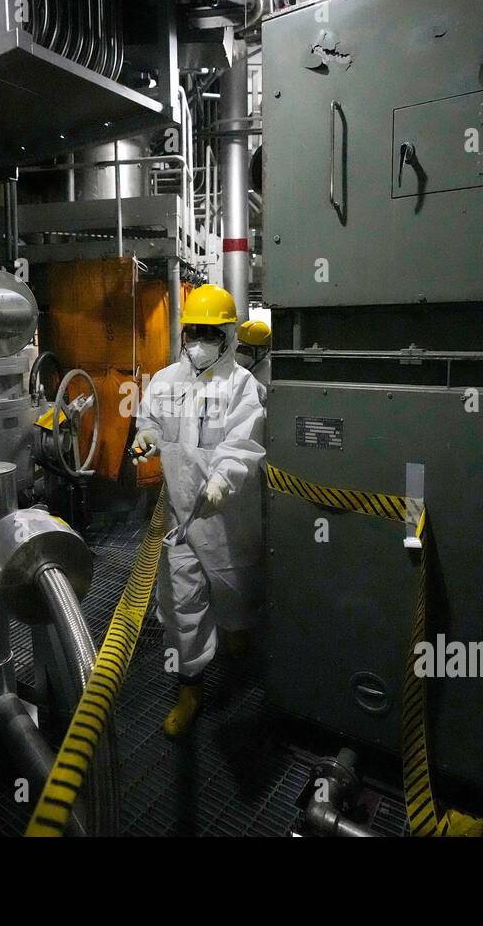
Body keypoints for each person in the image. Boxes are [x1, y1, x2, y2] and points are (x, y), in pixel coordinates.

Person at [132, 284, 266, 737]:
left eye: (210, 333)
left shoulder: (243, 387)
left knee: (235, 590)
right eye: (194, 332)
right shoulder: (167, 381)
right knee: (182, 603)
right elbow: (148, 419)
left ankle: (241, 645)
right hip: (182, 518)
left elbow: (243, 443)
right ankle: (191, 687)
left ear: (228, 336)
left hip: (229, 520)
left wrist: (223, 479)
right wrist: (146, 437)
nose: (199, 341)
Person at [236, 318, 272, 391]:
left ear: (261, 351)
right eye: (239, 348)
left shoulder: (266, 375)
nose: (241, 354)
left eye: (246, 350)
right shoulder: (250, 367)